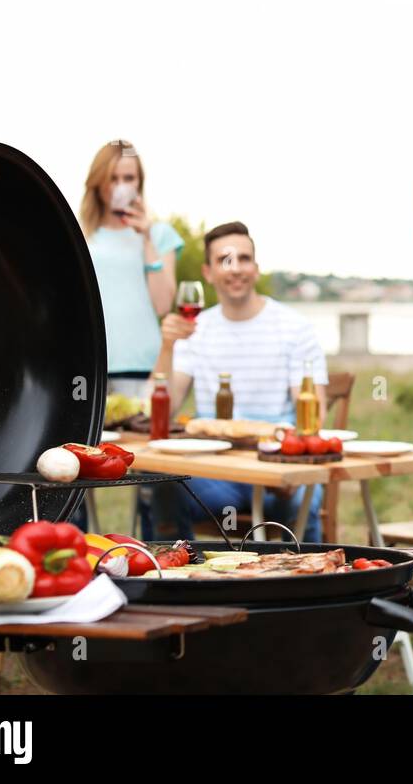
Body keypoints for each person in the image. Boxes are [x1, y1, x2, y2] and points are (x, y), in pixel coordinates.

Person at [153, 221, 330, 542]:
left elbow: (314, 415)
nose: (236, 269)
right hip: (218, 475)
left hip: (279, 468)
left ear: (257, 268)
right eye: (225, 260)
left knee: (305, 496)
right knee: (159, 486)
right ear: (207, 272)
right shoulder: (196, 329)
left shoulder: (294, 327)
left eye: (244, 259)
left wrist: (293, 464)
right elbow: (162, 408)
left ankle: (310, 583)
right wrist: (167, 346)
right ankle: (181, 580)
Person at [81, 139, 183, 535]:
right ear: (99, 183)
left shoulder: (160, 233)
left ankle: (160, 552)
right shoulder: (82, 231)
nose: (123, 186)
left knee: (152, 472)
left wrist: (146, 241)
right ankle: (84, 551)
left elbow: (164, 304)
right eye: (115, 178)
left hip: (144, 368)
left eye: (131, 178)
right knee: (77, 468)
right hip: (91, 368)